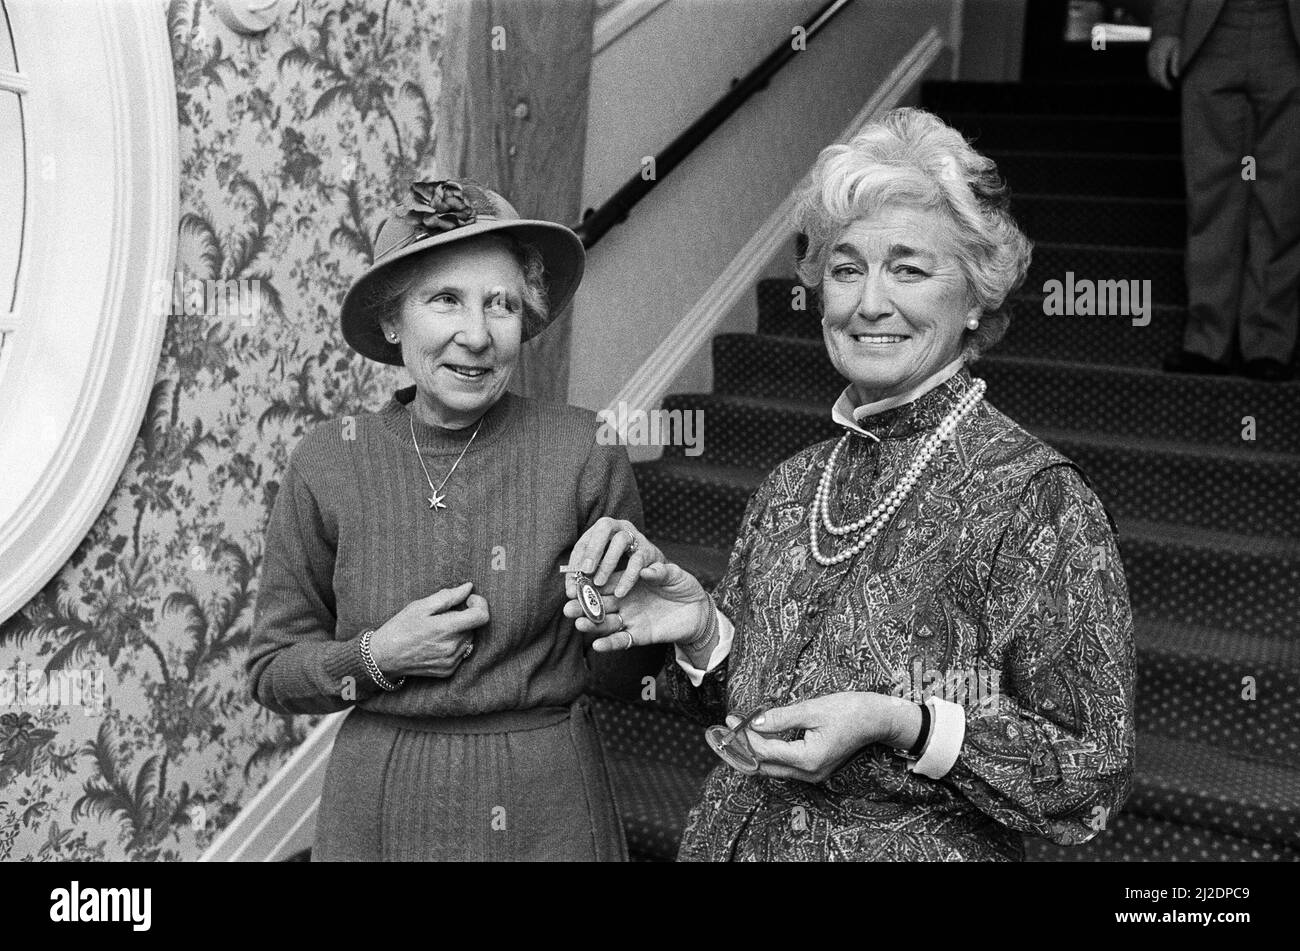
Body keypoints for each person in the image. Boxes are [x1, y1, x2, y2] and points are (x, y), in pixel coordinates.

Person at [565, 109, 1137, 861]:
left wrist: (903, 723)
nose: (869, 302)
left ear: (974, 299)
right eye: (846, 268)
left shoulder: (1036, 498)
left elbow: (1092, 775)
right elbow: (759, 701)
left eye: (908, 268)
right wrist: (703, 631)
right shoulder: (792, 484)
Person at [247, 179, 649, 860]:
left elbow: (635, 669)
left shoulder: (585, 448)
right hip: (379, 795)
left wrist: (624, 617)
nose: (477, 334)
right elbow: (272, 672)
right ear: (393, 321)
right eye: (445, 300)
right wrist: (376, 656)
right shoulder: (327, 460)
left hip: (545, 795)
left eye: (501, 304)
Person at [1150, 0, 1300, 381]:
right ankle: (1206, 341)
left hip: (1287, 36)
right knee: (1210, 196)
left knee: (1284, 201)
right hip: (1211, 33)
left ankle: (1269, 344)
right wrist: (1167, 30)